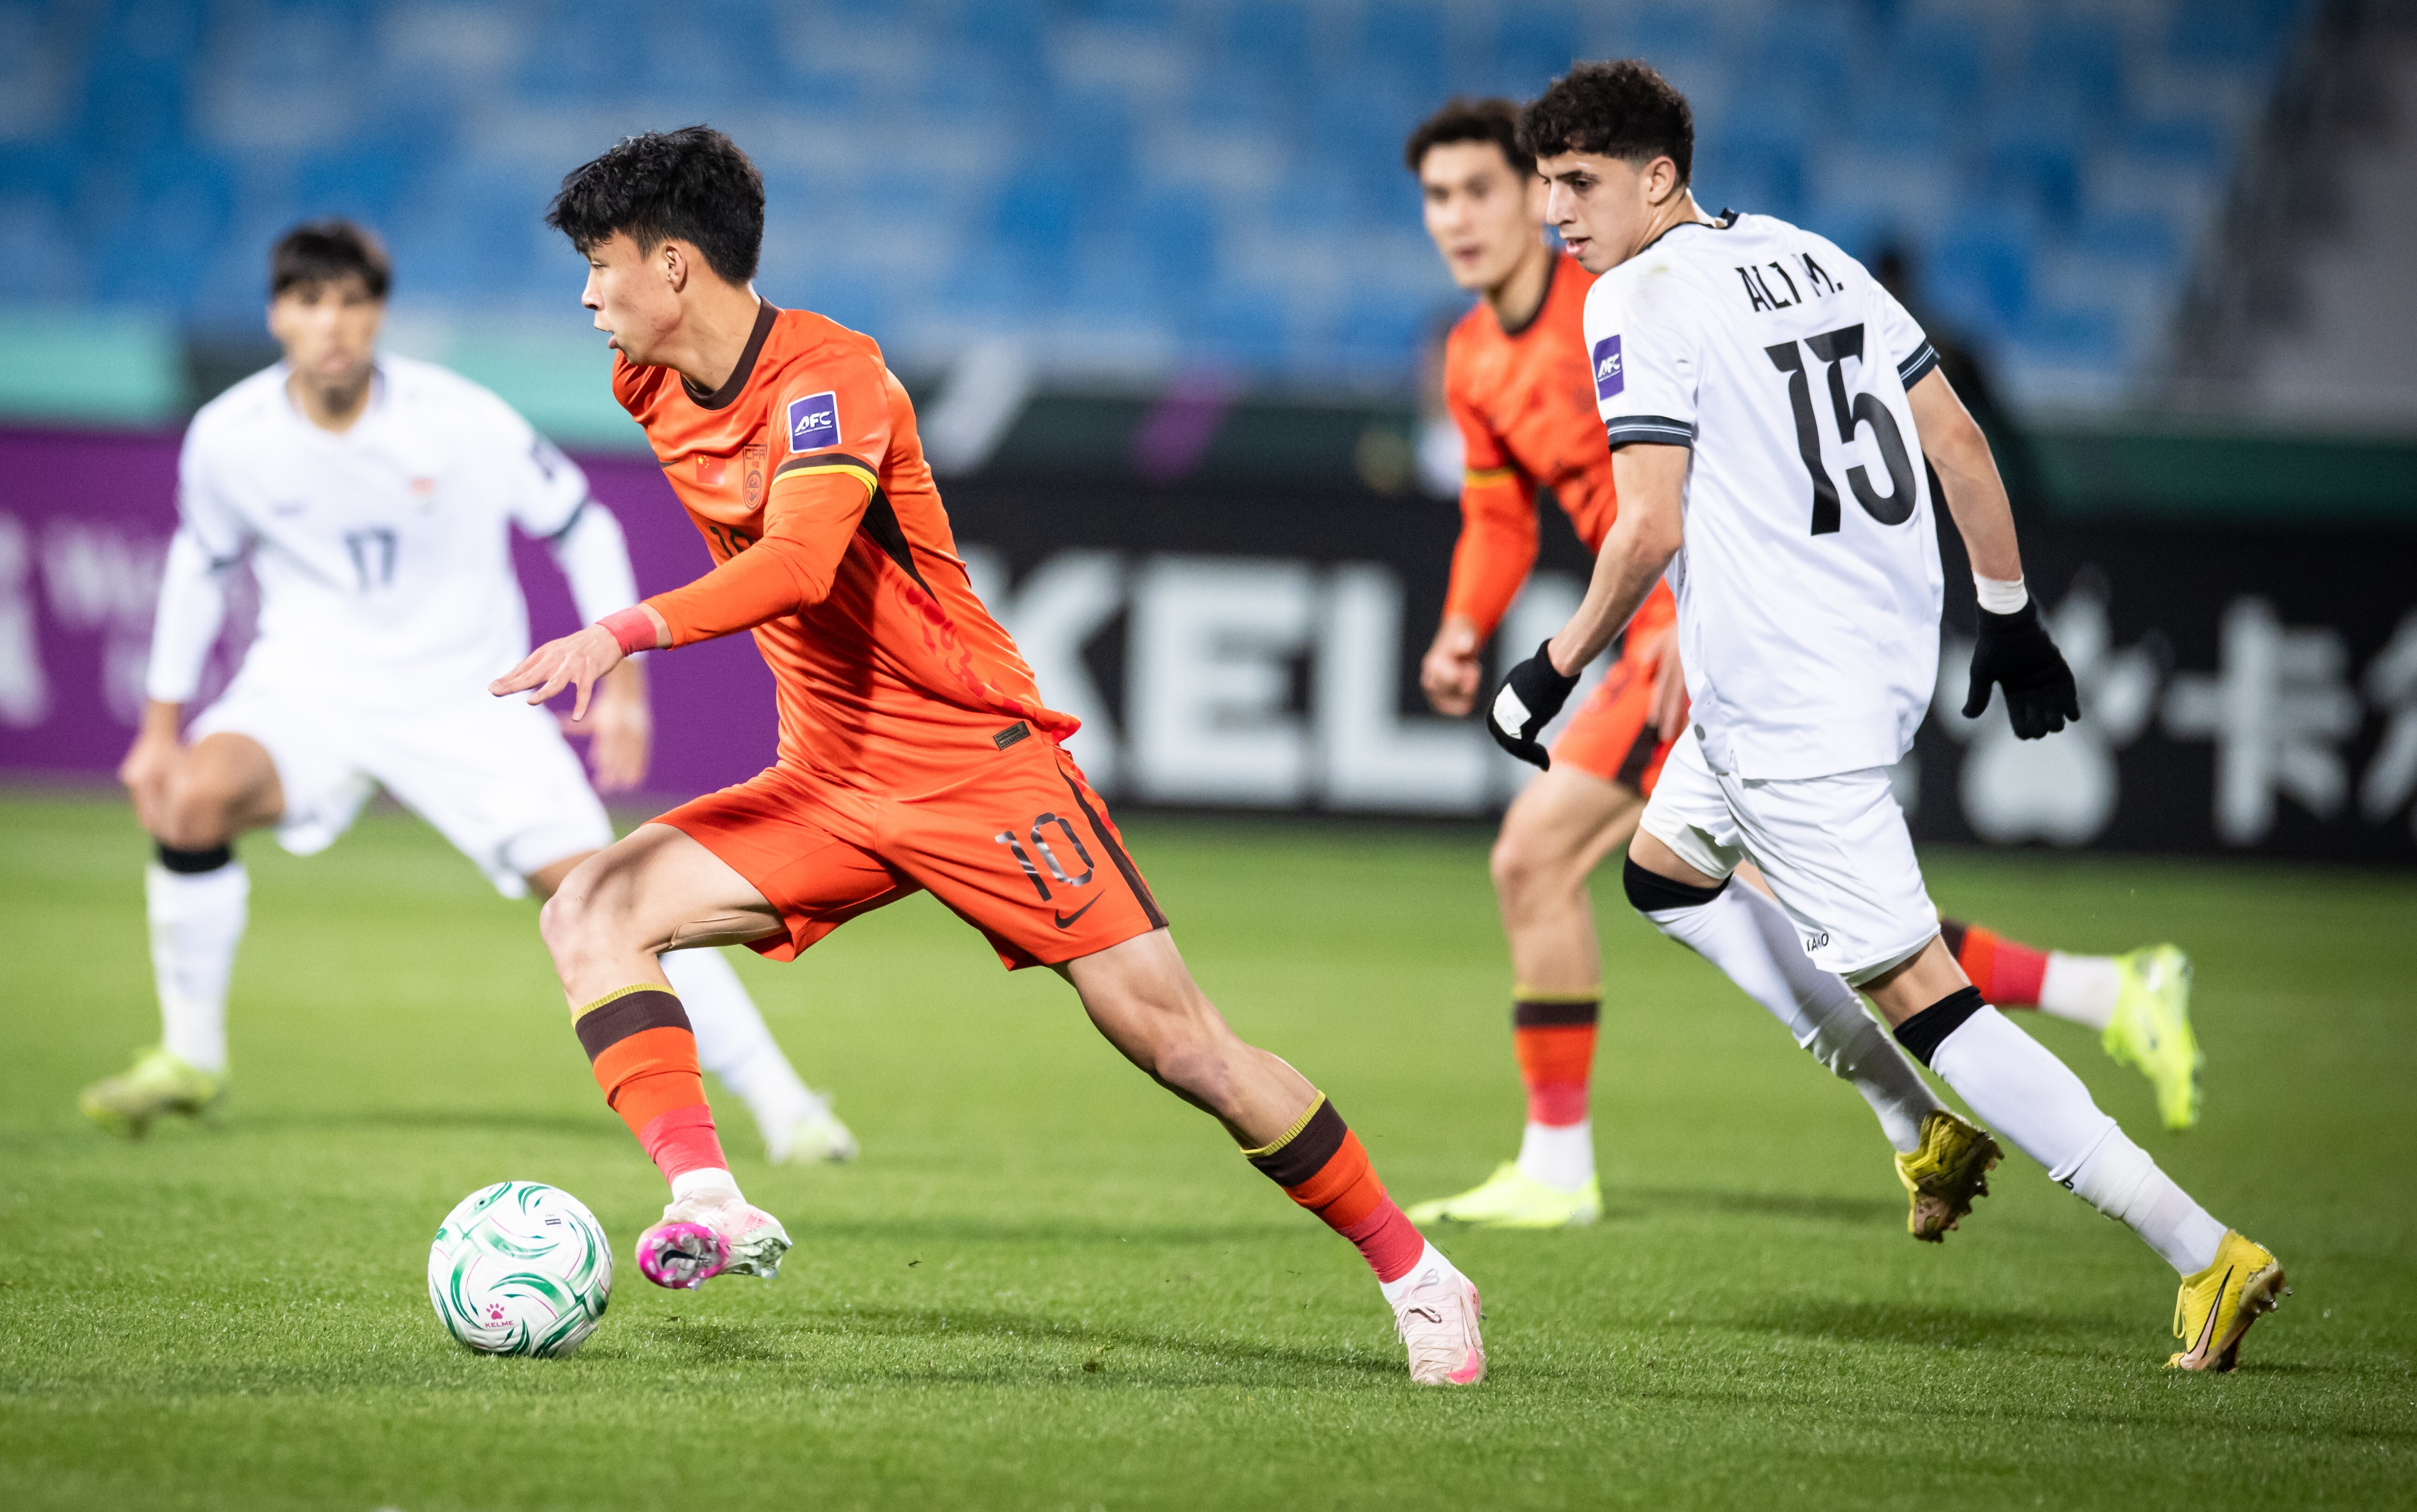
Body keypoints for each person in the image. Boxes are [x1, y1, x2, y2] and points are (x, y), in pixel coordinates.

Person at [492, 127, 1485, 1387]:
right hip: (828, 779)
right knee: (591, 910)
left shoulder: (835, 378)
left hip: (974, 765)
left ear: (674, 266)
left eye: (599, 263)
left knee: (1183, 1045)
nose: (586, 293)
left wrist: (621, 634)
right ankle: (710, 1197)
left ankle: (1417, 1271)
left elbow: (799, 563)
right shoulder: (651, 384)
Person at [1488, 61, 2282, 1369]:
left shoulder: (1633, 295)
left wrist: (1555, 664)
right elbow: (1957, 439)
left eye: (1577, 185)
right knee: (1664, 874)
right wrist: (2012, 616)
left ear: (1657, 177)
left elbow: (1647, 524)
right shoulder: (1808, 257)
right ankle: (1915, 1125)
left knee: (1930, 995)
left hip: (1781, 699)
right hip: (1877, 659)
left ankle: (2200, 1247)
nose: (1555, 214)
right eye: (1546, 186)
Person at [82, 220, 856, 1168]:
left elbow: (583, 526)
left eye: (354, 302)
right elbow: (200, 569)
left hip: (466, 699)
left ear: (378, 315)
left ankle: (784, 1106)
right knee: (190, 797)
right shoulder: (228, 438)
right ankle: (191, 1059)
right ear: (280, 315)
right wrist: (160, 730)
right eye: (312, 302)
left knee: (608, 896)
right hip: (308, 691)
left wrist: (625, 688)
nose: (333, 324)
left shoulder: (457, 418)